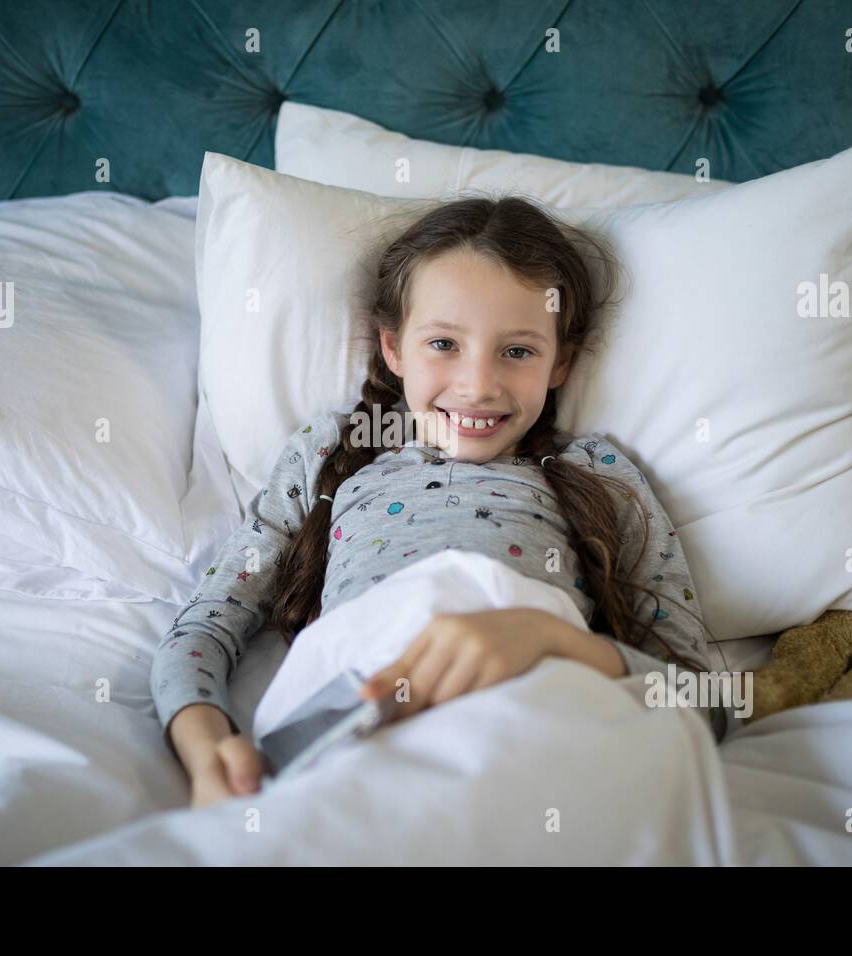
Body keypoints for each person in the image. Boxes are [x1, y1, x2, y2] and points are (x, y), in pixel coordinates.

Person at [152, 195, 728, 809]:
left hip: (540, 721)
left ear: (560, 363)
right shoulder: (331, 453)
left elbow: (702, 702)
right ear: (394, 348)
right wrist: (208, 749)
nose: (478, 386)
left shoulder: (597, 473)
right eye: (444, 344)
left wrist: (549, 639)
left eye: (518, 351)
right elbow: (206, 623)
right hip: (359, 720)